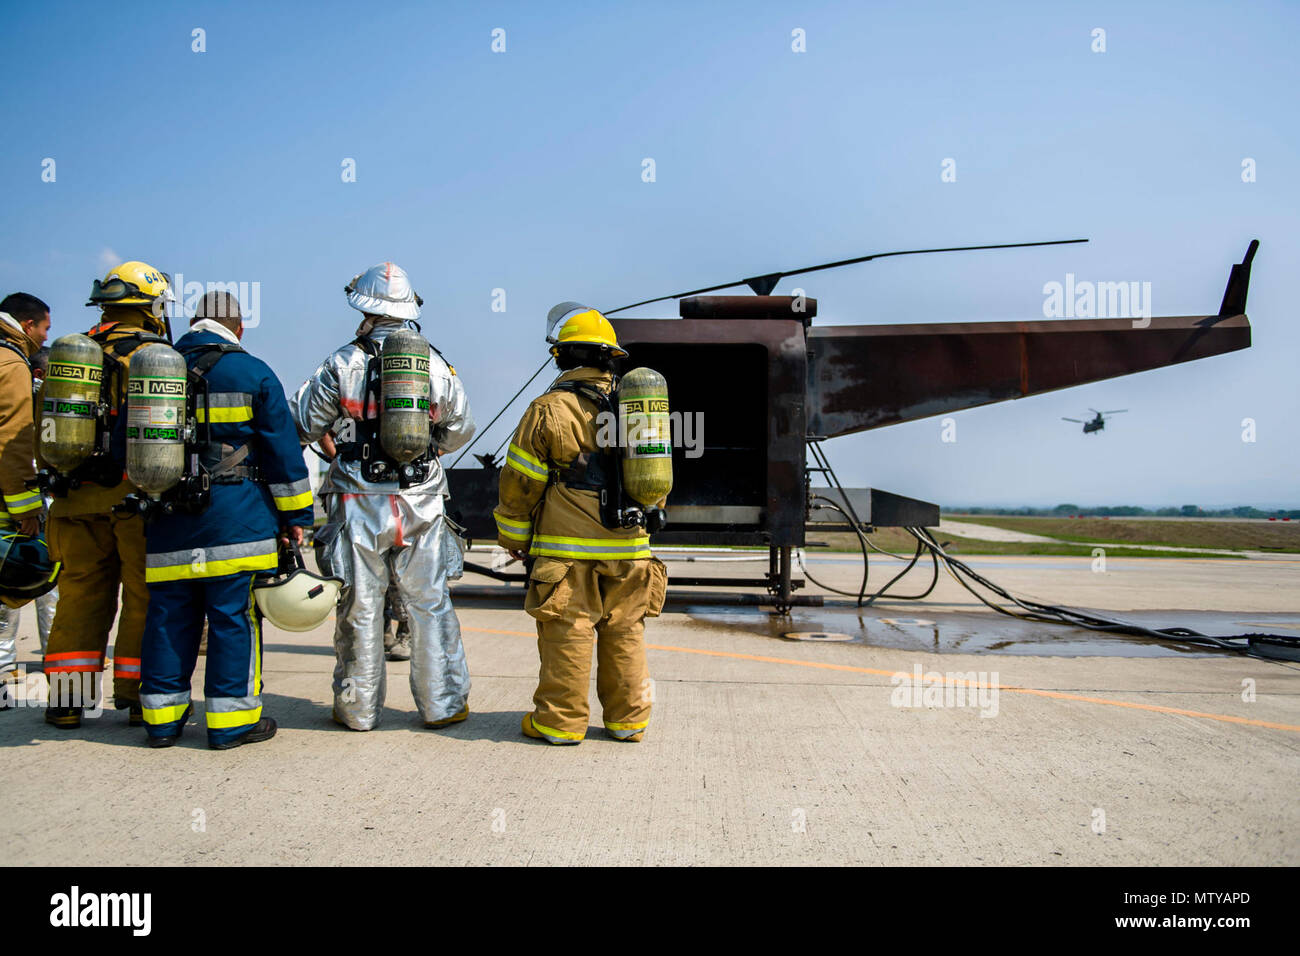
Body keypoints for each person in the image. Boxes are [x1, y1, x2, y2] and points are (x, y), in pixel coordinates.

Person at [290, 262, 475, 730]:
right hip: (422, 498)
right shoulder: (434, 362)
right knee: (430, 602)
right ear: (409, 308)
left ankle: (357, 710)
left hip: (358, 498)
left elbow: (303, 424)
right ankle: (443, 705)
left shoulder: (340, 362)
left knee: (361, 604)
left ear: (364, 309)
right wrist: (425, 445)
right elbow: (461, 429)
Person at [135, 291, 314, 748]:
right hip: (238, 524)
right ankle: (229, 723)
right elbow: (283, 453)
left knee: (168, 618)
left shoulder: (152, 371)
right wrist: (297, 516)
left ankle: (161, 722)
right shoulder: (253, 371)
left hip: (169, 522)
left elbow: (125, 449)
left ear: (194, 323)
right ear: (238, 328)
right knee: (234, 619)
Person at [494, 303, 667, 745]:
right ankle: (629, 721)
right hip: (631, 549)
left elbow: (521, 482)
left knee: (568, 632)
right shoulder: (638, 408)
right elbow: (655, 483)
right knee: (625, 632)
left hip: (567, 550)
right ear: (610, 357)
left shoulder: (549, 408)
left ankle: (560, 722)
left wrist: (513, 536)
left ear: (561, 357)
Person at [38, 262, 170, 728]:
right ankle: (137, 698)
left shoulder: (72, 356)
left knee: (79, 597)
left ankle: (67, 702)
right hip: (134, 502)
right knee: (143, 597)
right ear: (152, 306)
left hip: (73, 502)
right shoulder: (155, 359)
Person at [0, 293, 50, 698]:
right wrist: (25, 507)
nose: (44, 337)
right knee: (15, 579)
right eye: (45, 329)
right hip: (5, 496)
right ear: (28, 325)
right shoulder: (12, 362)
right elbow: (14, 440)